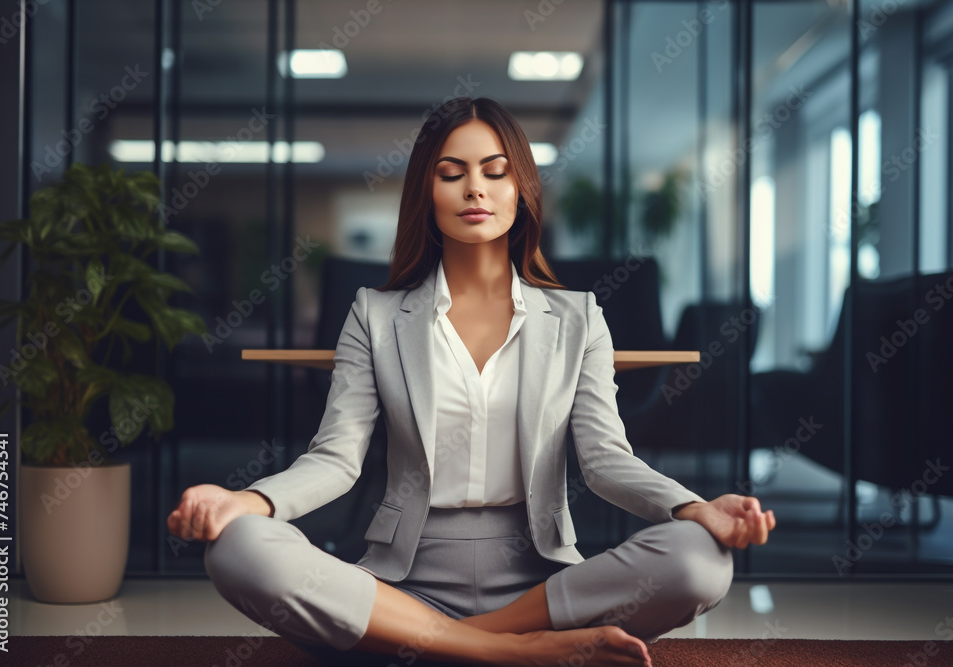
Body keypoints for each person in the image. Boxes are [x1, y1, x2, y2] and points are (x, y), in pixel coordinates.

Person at [167, 96, 776, 667]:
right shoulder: (375, 315)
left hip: (542, 580)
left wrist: (696, 509)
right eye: (451, 172)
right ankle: (515, 653)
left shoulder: (579, 315)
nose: (475, 188)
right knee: (240, 548)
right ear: (426, 193)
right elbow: (336, 460)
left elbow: (606, 460)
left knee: (700, 560)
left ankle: (430, 644)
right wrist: (247, 501)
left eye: (495, 170)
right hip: (404, 578)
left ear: (522, 190)